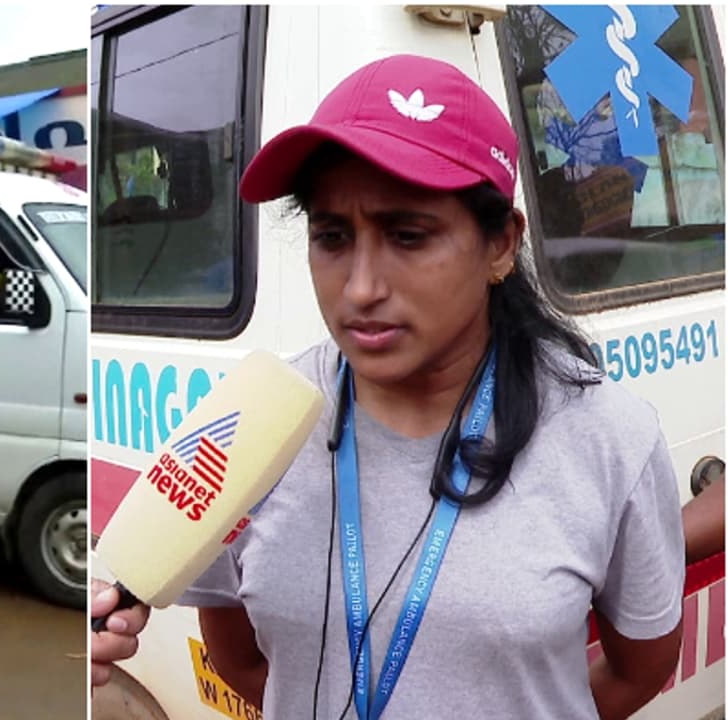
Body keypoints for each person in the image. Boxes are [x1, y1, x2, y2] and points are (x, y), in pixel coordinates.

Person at [91, 55, 684, 720]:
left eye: (407, 235)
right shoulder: (250, 424)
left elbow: (643, 667)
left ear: (499, 245)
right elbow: (239, 659)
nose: (362, 288)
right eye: (332, 237)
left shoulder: (607, 435)